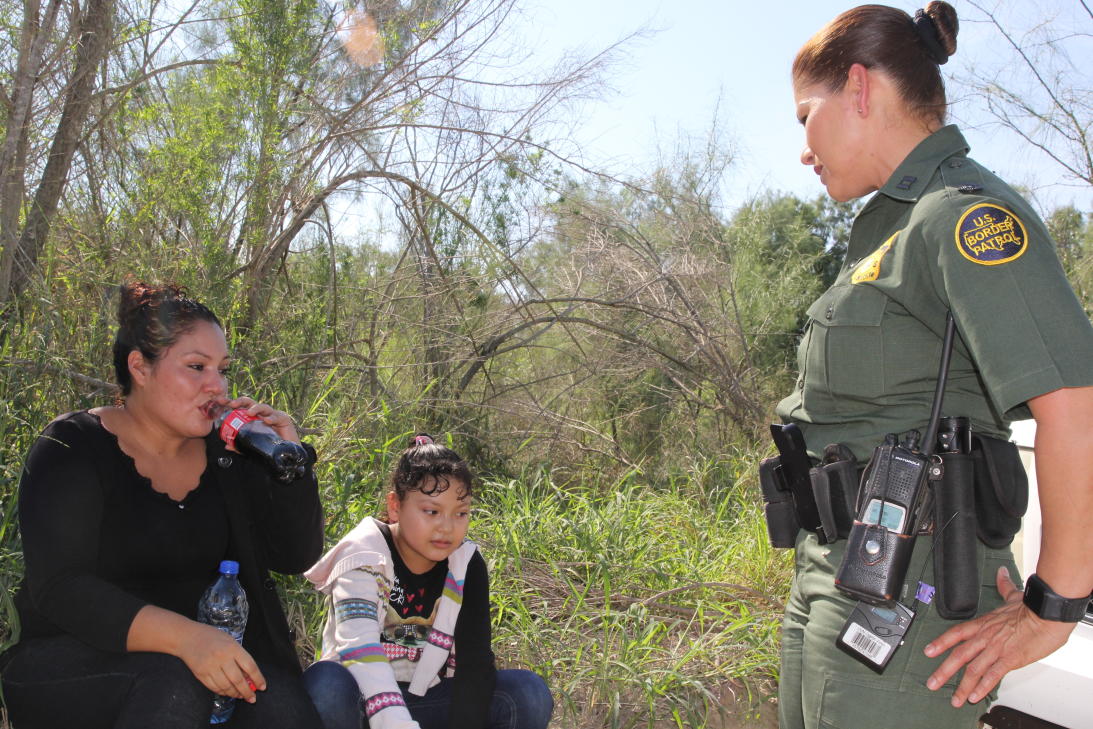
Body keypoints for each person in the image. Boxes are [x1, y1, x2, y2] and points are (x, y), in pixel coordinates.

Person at [774, 3, 1093, 728]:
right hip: (837, 570)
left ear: (859, 88)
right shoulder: (889, 230)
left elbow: (1075, 405)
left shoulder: (963, 216)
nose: (801, 147)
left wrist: (1054, 605)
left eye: (803, 117)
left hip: (912, 591)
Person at [0, 281, 325, 729]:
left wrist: (291, 466)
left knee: (285, 709)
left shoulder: (229, 454)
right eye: (196, 367)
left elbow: (293, 557)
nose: (216, 385)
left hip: (209, 654)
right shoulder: (71, 447)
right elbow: (62, 588)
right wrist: (187, 639)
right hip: (77, 657)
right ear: (140, 367)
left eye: (222, 369)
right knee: (173, 682)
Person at [301, 435, 553, 729]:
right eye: (431, 511)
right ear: (395, 506)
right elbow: (360, 646)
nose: (447, 527)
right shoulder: (364, 553)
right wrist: (395, 722)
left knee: (526, 692)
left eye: (461, 513)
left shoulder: (465, 563)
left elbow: (474, 666)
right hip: (361, 700)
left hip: (428, 698)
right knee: (326, 685)